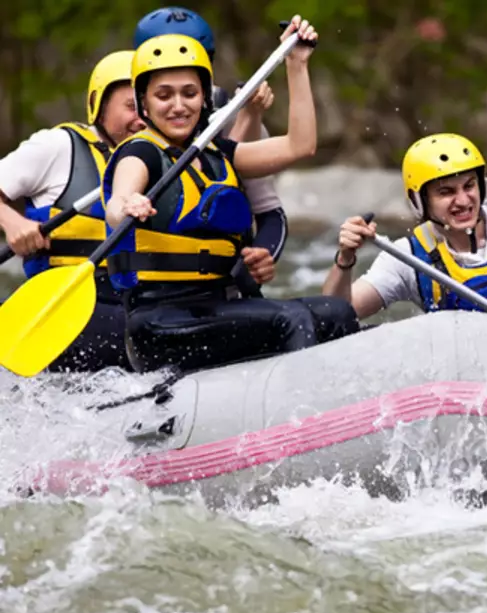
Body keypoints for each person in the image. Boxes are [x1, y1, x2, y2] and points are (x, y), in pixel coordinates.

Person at [102, 17, 357, 374]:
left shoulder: (217, 152)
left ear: (205, 97)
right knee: (291, 318)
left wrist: (297, 65)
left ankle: (348, 407)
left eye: (189, 93)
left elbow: (300, 145)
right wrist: (127, 205)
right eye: (164, 95)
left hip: (215, 308)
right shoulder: (140, 153)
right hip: (158, 322)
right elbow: (117, 203)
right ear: (143, 103)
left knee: (337, 312)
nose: (178, 105)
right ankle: (304, 417)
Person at [0, 50, 145, 372]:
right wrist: (12, 222)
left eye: (147, 106)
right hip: (74, 307)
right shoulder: (58, 147)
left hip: (145, 302)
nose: (142, 119)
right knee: (140, 332)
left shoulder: (166, 161)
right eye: (132, 106)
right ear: (100, 106)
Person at [134, 7, 291, 270]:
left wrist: (257, 263)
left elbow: (268, 213)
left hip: (215, 276)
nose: (178, 106)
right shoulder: (124, 115)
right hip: (148, 279)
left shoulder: (231, 112)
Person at [322, 133, 487, 318]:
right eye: (446, 192)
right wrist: (345, 258)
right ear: (419, 201)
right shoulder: (408, 257)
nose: (463, 201)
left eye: (469, 186)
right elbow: (336, 314)